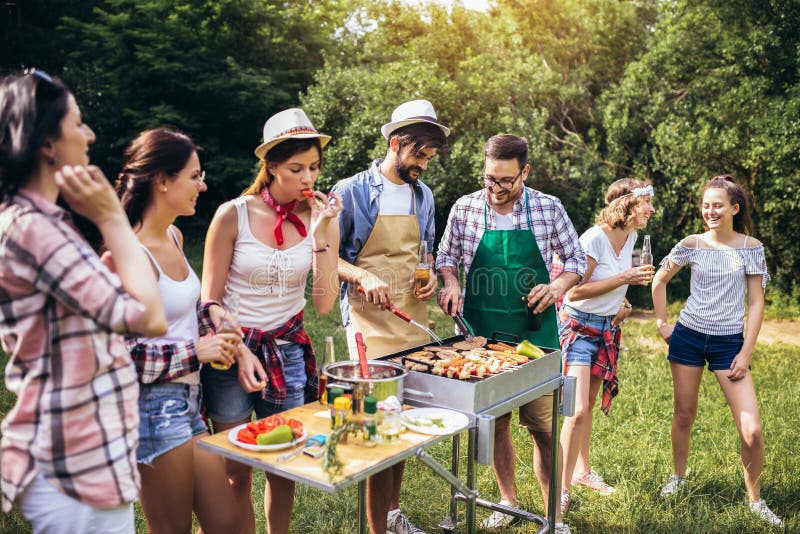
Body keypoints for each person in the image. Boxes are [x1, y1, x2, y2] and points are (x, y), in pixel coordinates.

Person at [0, 70, 166, 532]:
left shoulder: (38, 223)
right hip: (72, 464)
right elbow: (148, 317)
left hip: (86, 455)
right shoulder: (36, 229)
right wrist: (112, 217)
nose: (90, 134)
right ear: (47, 143)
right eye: (78, 123)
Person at [200, 108, 341, 534]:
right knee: (236, 468)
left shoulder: (322, 218)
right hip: (231, 356)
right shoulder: (232, 214)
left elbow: (323, 304)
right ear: (272, 166)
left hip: (287, 352)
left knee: (285, 465)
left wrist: (322, 236)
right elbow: (208, 297)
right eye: (296, 168)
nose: (308, 179)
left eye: (314, 167)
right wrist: (236, 345)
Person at [436, 134, 585, 533]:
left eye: (505, 180)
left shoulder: (548, 208)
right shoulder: (464, 208)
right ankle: (507, 501)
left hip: (534, 335)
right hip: (481, 337)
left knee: (543, 429)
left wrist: (556, 287)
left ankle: (553, 517)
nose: (496, 188)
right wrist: (450, 281)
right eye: (489, 179)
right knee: (496, 422)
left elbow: (576, 259)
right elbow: (446, 256)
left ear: (525, 172)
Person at [104, 128, 240, 533]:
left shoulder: (174, 236)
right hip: (153, 409)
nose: (204, 184)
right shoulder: (129, 255)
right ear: (162, 180)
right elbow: (122, 356)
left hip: (189, 400)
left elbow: (182, 310)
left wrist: (213, 318)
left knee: (227, 522)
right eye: (194, 176)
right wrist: (197, 351)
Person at [332, 99, 448, 534]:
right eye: (419, 155)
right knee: (378, 429)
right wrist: (361, 275)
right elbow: (323, 258)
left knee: (399, 426)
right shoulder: (351, 191)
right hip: (367, 325)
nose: (424, 165)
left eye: (430, 159)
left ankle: (393, 514)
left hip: (411, 318)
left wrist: (431, 276)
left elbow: (426, 252)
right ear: (396, 143)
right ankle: (376, 528)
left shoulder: (424, 195)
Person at [652, 175, 783, 527]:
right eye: (706, 205)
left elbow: (756, 303)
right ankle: (678, 479)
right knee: (684, 413)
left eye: (718, 205)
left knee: (752, 430)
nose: (710, 211)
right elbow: (659, 279)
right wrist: (663, 323)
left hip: (729, 344)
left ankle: (756, 500)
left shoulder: (751, 248)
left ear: (733, 208)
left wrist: (746, 350)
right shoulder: (691, 243)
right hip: (689, 337)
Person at [557, 179, 655, 516]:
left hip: (606, 328)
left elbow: (611, 283)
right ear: (626, 205)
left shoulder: (631, 237)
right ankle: (561, 489)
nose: (651, 210)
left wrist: (623, 302)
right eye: (646, 203)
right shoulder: (593, 238)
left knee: (586, 407)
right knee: (577, 410)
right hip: (578, 328)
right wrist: (625, 280)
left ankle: (583, 472)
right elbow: (575, 292)